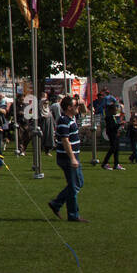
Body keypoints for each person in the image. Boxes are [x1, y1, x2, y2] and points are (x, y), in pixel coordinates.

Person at [49, 95, 88, 223]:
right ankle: (63, 208)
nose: (78, 107)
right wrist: (72, 158)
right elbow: (65, 141)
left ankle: (66, 210)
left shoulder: (72, 117)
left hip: (74, 156)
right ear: (69, 107)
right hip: (67, 158)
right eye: (75, 105)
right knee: (74, 185)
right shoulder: (63, 121)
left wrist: (80, 103)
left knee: (77, 183)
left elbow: (85, 111)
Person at [101, 94, 122, 170]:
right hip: (112, 134)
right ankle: (105, 163)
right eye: (115, 110)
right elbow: (111, 127)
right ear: (111, 110)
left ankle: (116, 163)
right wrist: (119, 124)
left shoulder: (113, 117)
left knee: (116, 149)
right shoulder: (109, 118)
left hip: (115, 134)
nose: (116, 111)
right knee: (112, 148)